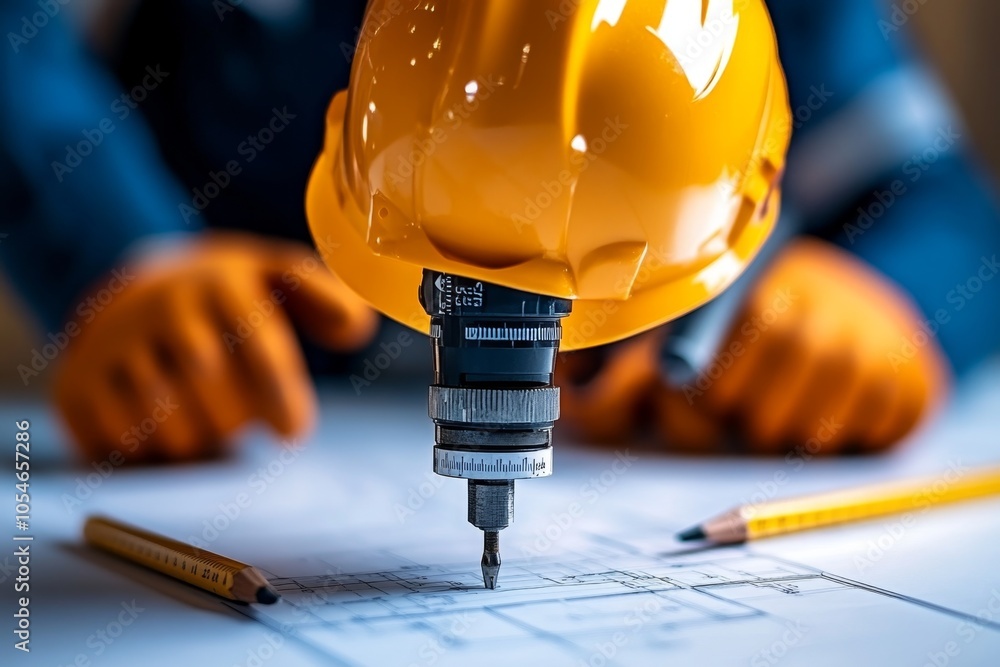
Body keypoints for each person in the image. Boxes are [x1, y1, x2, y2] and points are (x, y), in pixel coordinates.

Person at [1, 0, 997, 463]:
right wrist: (122, 258)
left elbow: (950, 211)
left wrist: (890, 306)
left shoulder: (799, 20)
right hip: (239, 410)